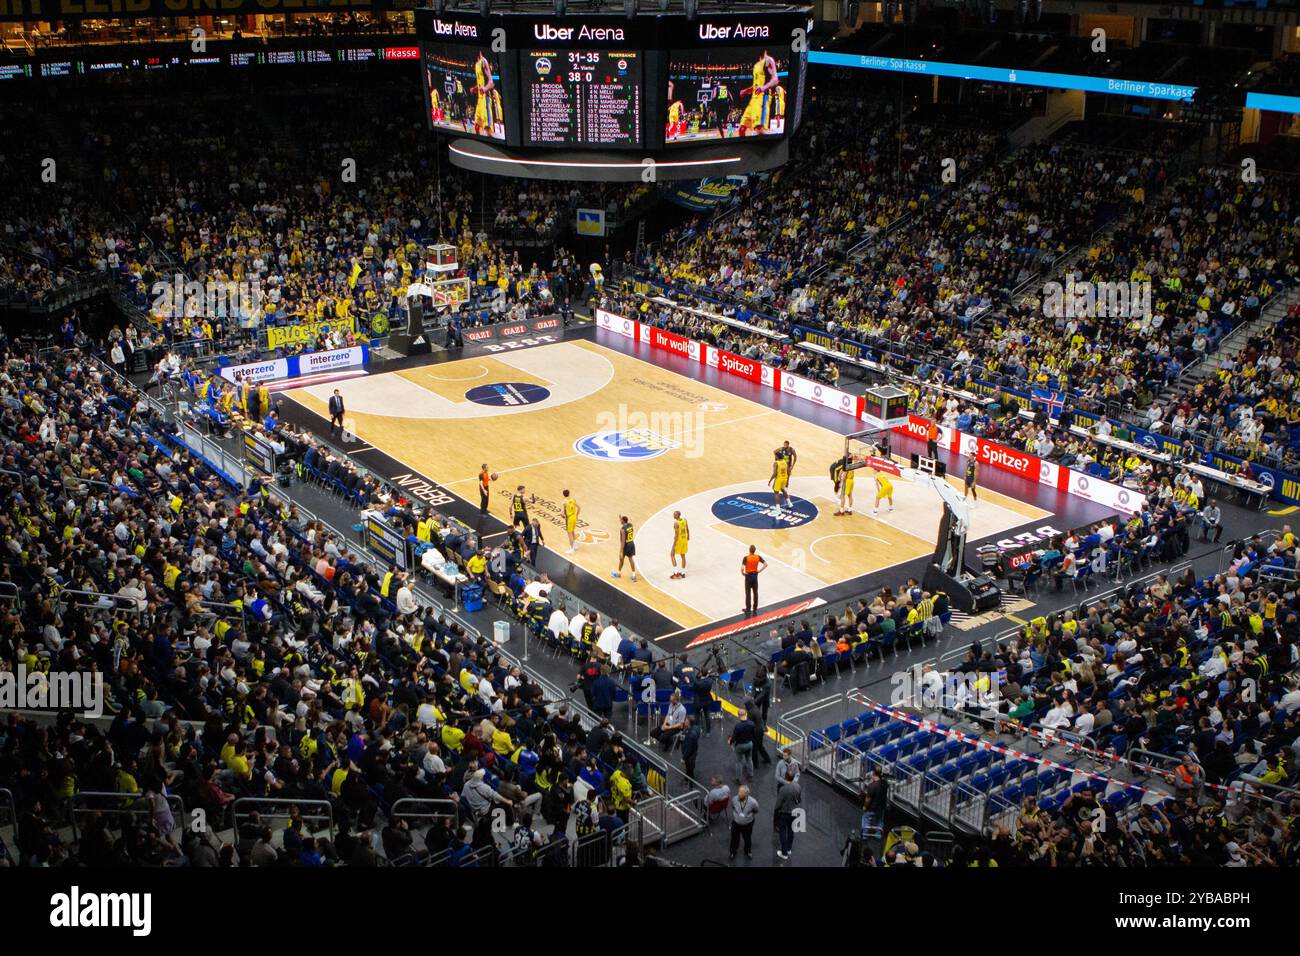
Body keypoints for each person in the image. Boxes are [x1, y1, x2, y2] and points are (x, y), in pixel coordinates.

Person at [774, 768, 802, 860]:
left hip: (784, 813)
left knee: (782, 832)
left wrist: (776, 810)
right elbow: (799, 800)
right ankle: (789, 849)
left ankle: (784, 853)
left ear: (786, 777)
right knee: (791, 831)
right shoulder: (798, 786)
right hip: (794, 812)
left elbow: (778, 803)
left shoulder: (783, 789)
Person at [728, 785, 759, 861]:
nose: (739, 793)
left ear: (747, 794)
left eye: (741, 792)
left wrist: (748, 816)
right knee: (734, 838)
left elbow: (756, 810)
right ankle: (733, 852)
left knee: (747, 838)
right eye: (739, 791)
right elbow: (733, 807)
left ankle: (747, 851)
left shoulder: (753, 802)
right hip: (736, 823)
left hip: (747, 824)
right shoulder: (734, 799)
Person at [729, 708, 757, 783]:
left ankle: (738, 779)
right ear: (746, 714)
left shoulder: (738, 726)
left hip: (740, 746)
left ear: (738, 715)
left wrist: (730, 742)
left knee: (739, 762)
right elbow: (754, 734)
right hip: (749, 744)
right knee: (749, 759)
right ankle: (750, 776)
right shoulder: (752, 723)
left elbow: (734, 737)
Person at [611, 515, 638, 582]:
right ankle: (634, 575)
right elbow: (626, 524)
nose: (620, 521)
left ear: (623, 521)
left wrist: (621, 551)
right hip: (631, 544)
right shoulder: (630, 525)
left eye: (621, 520)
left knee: (621, 559)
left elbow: (623, 541)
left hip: (626, 546)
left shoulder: (622, 530)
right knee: (631, 559)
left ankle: (618, 573)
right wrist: (621, 518)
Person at [741, 545, 767, 615]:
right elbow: (765, 564)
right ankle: (755, 608)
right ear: (754, 550)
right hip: (755, 576)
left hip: (748, 576)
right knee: (755, 592)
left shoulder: (746, 558)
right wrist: (759, 571)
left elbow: (742, 568)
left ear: (749, 550)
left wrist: (742, 573)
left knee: (748, 593)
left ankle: (748, 609)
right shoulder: (758, 557)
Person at [670, 510, 690, 579]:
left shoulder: (676, 523)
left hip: (679, 541)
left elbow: (676, 535)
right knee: (683, 556)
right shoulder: (684, 520)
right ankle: (683, 573)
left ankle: (675, 573)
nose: (673, 515)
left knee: (672, 554)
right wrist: (688, 537)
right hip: (684, 540)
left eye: (674, 514)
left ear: (677, 515)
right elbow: (687, 529)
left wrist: (674, 544)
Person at [562, 488, 580, 553]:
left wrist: (563, 516)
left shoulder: (564, 502)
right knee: (573, 531)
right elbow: (579, 508)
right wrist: (577, 515)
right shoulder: (573, 500)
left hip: (569, 518)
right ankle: (575, 545)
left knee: (569, 534)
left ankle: (571, 548)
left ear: (563, 495)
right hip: (574, 517)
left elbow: (562, 513)